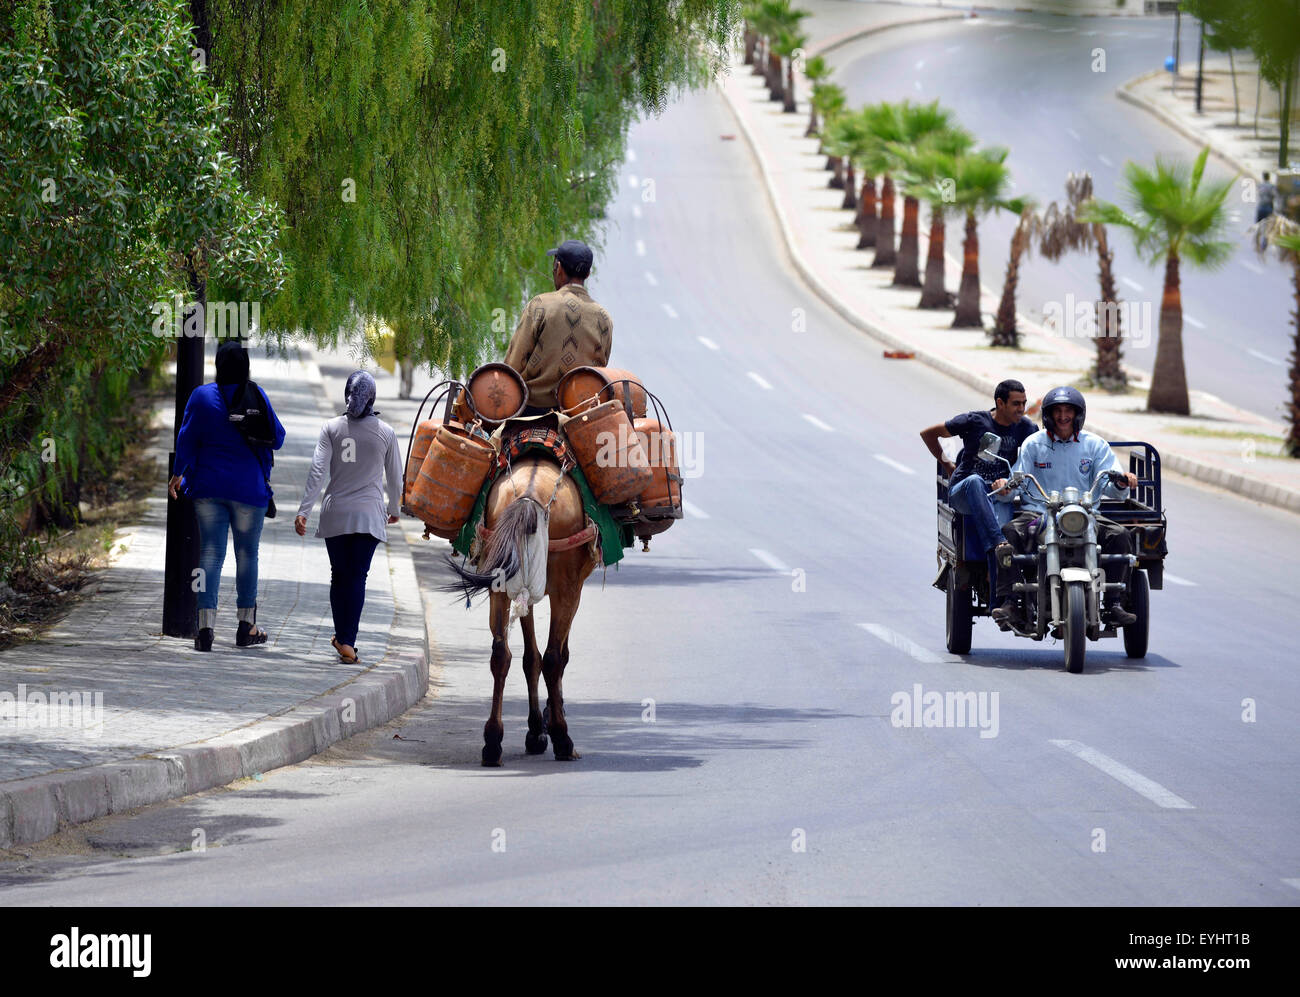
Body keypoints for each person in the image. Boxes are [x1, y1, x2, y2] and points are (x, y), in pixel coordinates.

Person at [169, 340, 286, 652]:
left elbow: (186, 439)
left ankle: (205, 628)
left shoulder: (201, 397)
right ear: (245, 366)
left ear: (218, 366)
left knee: (210, 554)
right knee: (247, 555)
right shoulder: (256, 394)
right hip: (249, 492)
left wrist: (178, 474)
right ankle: (246, 626)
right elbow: (278, 438)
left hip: (207, 489)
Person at [990, 386, 1139, 628]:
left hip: (1085, 515)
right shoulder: (1033, 444)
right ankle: (1011, 600)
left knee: (1120, 535)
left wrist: (1122, 480)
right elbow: (1017, 481)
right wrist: (1006, 486)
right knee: (1009, 534)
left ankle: (1113, 603)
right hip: (1040, 515)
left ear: (1078, 414)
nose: (1062, 416)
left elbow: (1111, 484)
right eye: (1057, 411)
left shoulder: (1095, 445)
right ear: (1048, 414)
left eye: (1068, 410)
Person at [294, 371, 403, 664]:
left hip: (336, 515)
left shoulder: (331, 428)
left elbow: (317, 472)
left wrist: (304, 511)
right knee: (357, 578)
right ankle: (348, 642)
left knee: (339, 576)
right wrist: (394, 509)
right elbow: (395, 479)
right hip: (368, 517)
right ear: (372, 398)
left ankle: (343, 638)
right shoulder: (386, 433)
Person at [919, 379, 1037, 597]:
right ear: (1000, 403)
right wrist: (947, 464)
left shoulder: (1027, 428)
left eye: (1024, 403)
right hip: (964, 492)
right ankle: (999, 543)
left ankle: (997, 599)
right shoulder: (974, 421)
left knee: (1007, 530)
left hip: (997, 495)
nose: (1021, 409)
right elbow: (928, 433)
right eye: (1015, 404)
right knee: (974, 481)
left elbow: (1037, 456)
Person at [503, 239, 613, 415]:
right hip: (581, 413)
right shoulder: (603, 317)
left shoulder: (540, 305)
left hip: (532, 410)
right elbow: (602, 364)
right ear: (588, 274)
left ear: (559, 268)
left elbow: (513, 364)